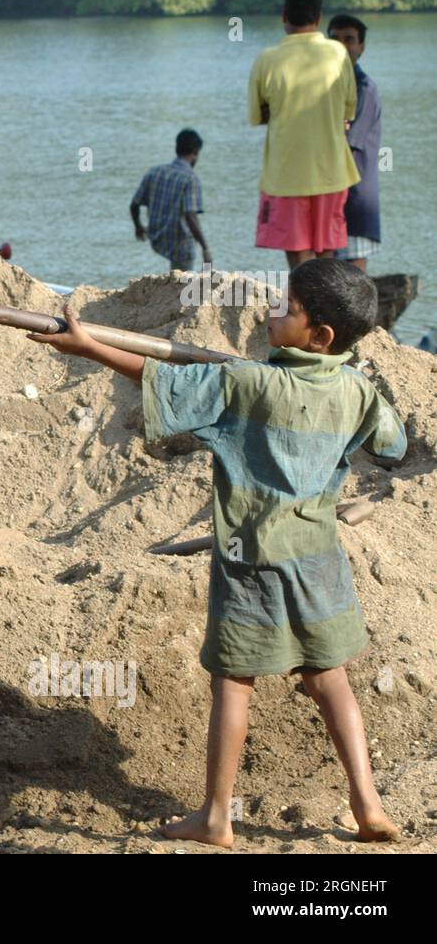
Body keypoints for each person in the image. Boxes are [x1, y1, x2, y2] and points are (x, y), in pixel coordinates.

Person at [28, 258, 405, 848]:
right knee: (330, 677)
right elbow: (393, 442)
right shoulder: (355, 390)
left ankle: (216, 818)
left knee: (233, 683)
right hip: (318, 558)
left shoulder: (249, 384)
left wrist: (89, 347)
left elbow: (161, 382)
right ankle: (367, 805)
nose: (270, 312)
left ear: (319, 335)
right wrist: (351, 385)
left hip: (250, 557)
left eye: (287, 309)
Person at [249, 0, 359, 268]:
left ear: (284, 17)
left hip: (286, 174)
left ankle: (301, 309)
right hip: (330, 170)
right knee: (327, 251)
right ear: (319, 18)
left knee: (297, 252)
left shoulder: (267, 59)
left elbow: (256, 115)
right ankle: (323, 309)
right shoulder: (337, 52)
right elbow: (349, 108)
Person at [328, 14, 382, 271]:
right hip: (328, 196)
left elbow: (346, 141)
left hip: (355, 197)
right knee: (324, 280)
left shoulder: (364, 89)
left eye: (349, 39)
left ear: (361, 47)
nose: (341, 45)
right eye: (334, 39)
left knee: (353, 279)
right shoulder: (326, 88)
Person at [130, 129, 211, 272]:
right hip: (178, 244)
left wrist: (138, 226)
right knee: (186, 268)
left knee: (177, 271)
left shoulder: (155, 172)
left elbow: (134, 205)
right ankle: (181, 289)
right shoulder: (190, 179)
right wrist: (205, 248)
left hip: (157, 236)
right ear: (195, 152)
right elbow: (190, 216)